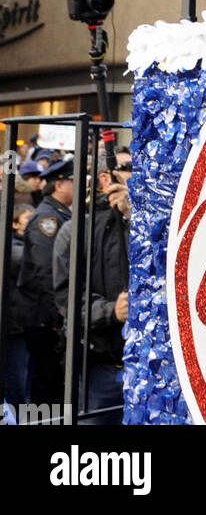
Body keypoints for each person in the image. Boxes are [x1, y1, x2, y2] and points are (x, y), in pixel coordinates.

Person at [53, 163, 131, 425]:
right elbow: (67, 300)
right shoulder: (74, 231)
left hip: (144, 363)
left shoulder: (138, 223)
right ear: (105, 179)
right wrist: (111, 311)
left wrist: (134, 217)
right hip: (100, 364)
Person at [17, 157, 73, 406]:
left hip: (50, 315)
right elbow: (47, 274)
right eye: (72, 180)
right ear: (59, 185)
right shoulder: (46, 220)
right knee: (47, 384)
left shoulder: (59, 213)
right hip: (44, 318)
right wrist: (59, 315)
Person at [4, 205, 34, 413]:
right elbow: (23, 260)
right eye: (27, 218)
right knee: (16, 384)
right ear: (14, 224)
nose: (32, 221)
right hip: (12, 328)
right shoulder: (13, 247)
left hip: (19, 325)